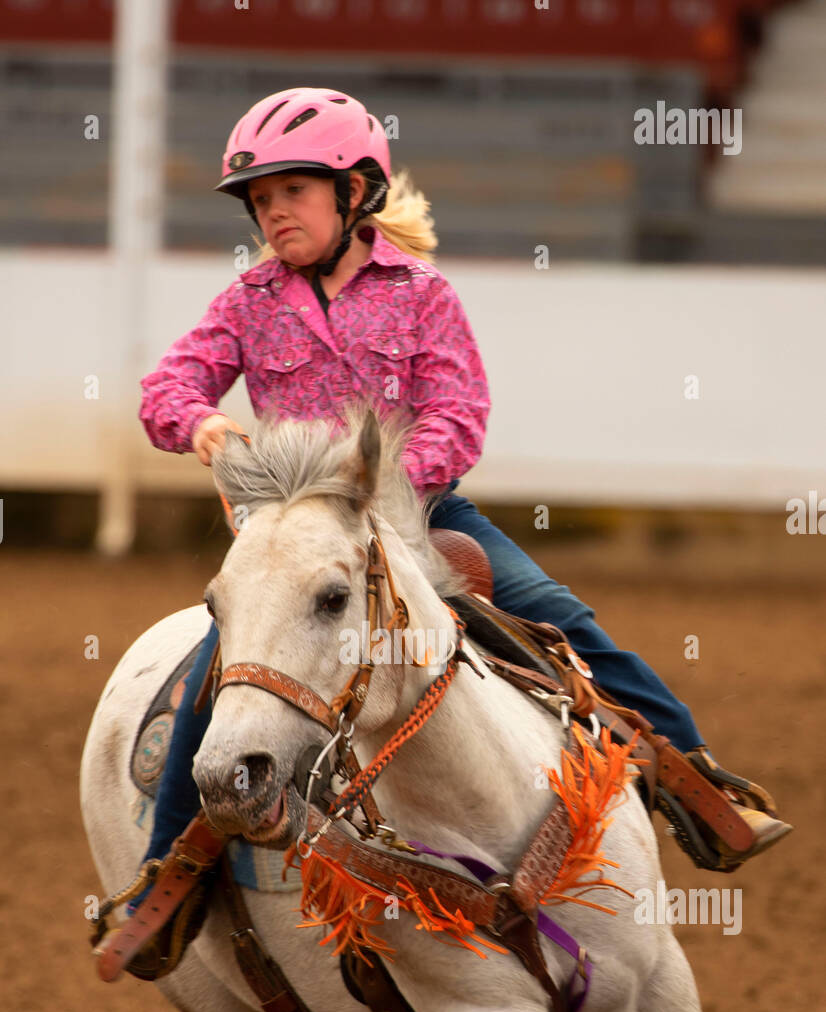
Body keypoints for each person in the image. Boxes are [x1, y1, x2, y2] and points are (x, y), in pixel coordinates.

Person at [132, 86, 789, 918]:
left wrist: (391, 494)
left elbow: (456, 412)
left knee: (560, 616)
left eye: (291, 192)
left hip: (427, 516)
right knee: (214, 675)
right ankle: (168, 878)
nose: (273, 214)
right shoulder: (248, 303)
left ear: (355, 189)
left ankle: (695, 783)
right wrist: (202, 428)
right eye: (260, 200)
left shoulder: (419, 293)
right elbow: (167, 386)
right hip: (299, 541)